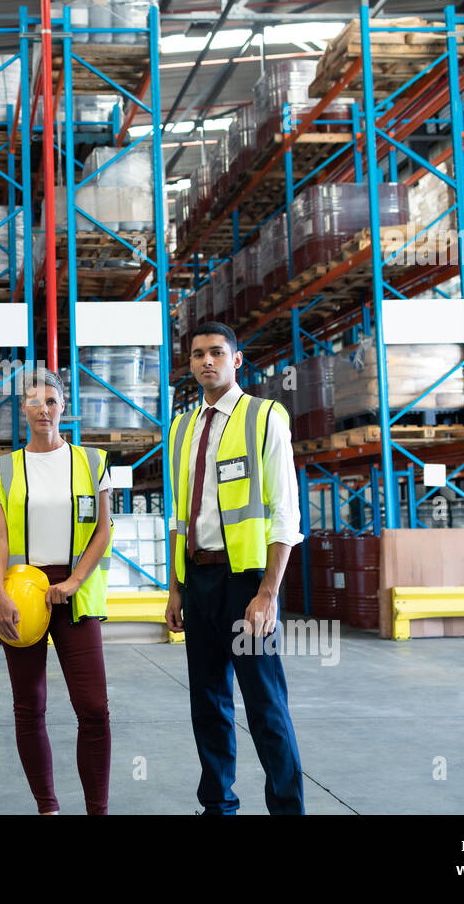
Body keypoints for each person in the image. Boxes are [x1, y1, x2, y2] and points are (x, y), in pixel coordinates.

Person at [164, 321, 305, 814]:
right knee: (208, 702)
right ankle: (217, 805)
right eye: (198, 354)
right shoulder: (182, 426)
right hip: (198, 581)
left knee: (265, 705)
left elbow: (286, 512)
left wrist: (268, 592)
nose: (207, 361)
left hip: (247, 584)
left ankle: (287, 809)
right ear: (189, 364)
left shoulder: (265, 417)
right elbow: (180, 516)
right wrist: (175, 588)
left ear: (236, 360)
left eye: (217, 353)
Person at [0, 368, 114, 815]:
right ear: (23, 408)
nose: (44, 409)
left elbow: (103, 529)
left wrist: (75, 581)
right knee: (30, 706)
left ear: (64, 407)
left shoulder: (92, 462)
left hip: (74, 595)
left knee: (94, 707)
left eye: (51, 401)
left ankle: (97, 808)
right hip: (20, 594)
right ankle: (48, 807)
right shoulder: (2, 468)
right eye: (34, 402)